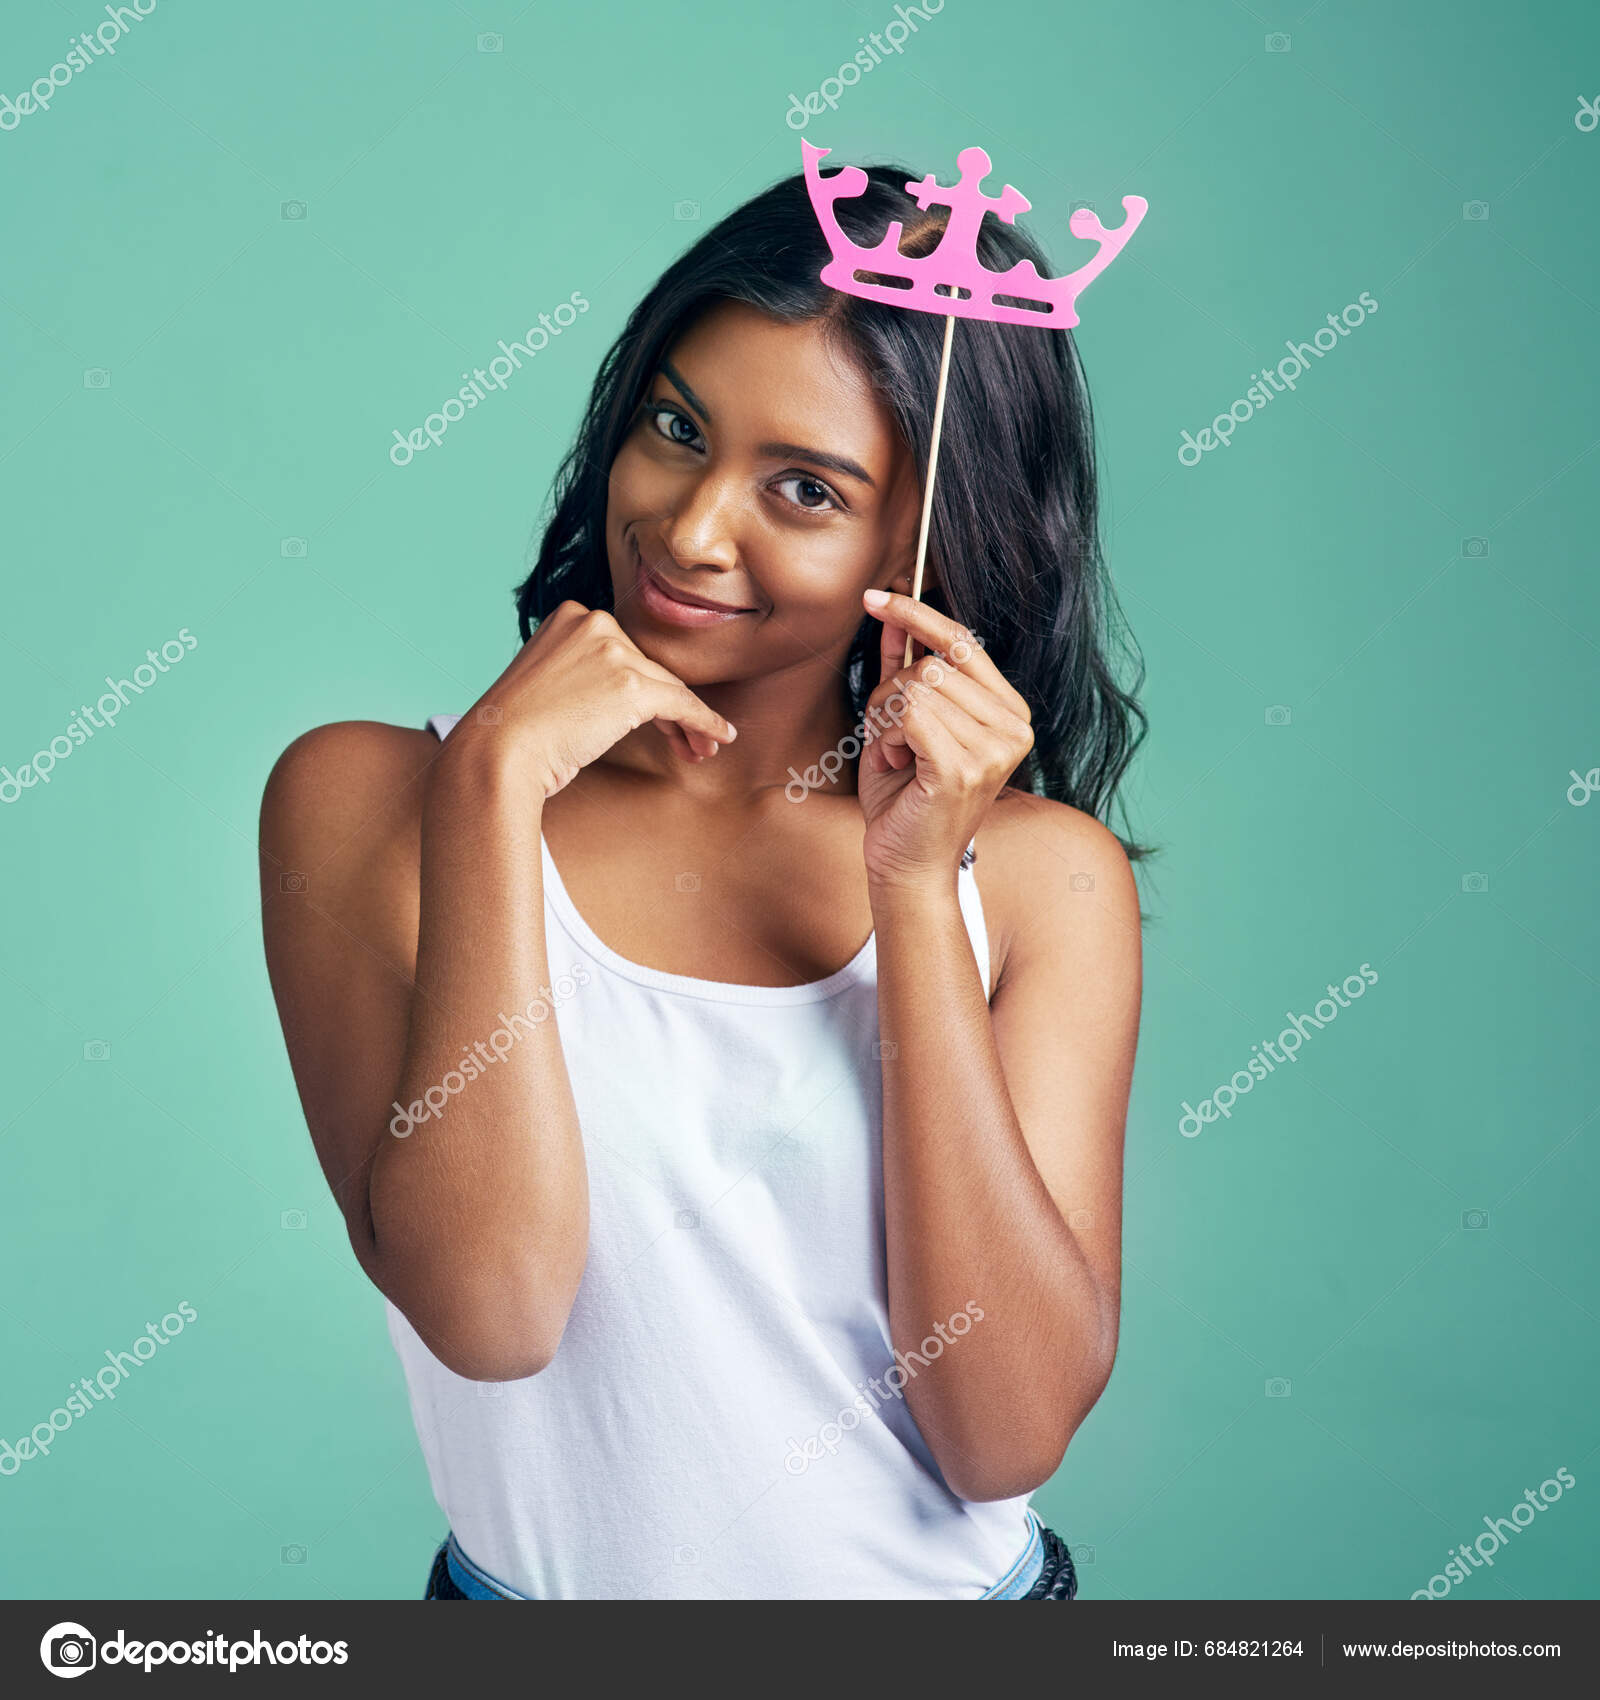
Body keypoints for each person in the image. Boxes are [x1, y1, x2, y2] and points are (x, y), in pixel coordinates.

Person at [259, 157, 1146, 1601]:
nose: (690, 528)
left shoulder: (1045, 889)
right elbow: (489, 1313)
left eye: (803, 488)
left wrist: (914, 892)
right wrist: (489, 787)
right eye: (677, 428)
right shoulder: (364, 800)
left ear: (920, 542)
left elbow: (1001, 1430)